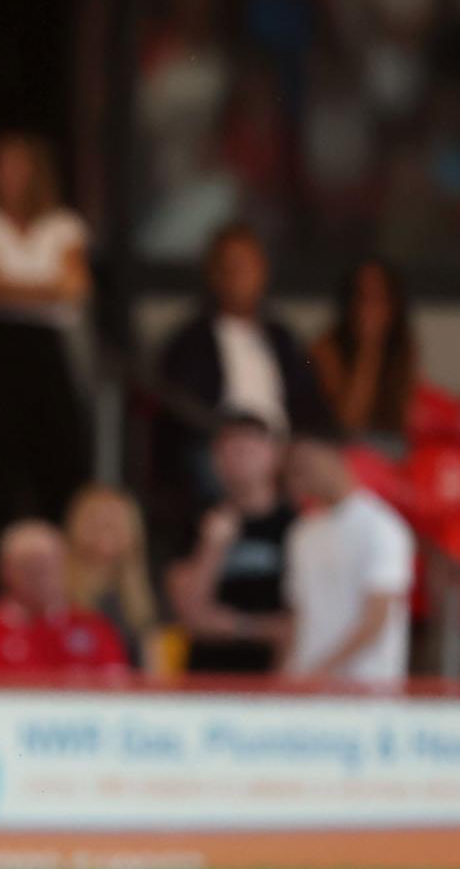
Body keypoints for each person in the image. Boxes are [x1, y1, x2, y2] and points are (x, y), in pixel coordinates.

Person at [0, 131, 92, 553]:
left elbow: (75, 287)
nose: (8, 174)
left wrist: (15, 287)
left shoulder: (63, 224)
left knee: (59, 458)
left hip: (47, 352)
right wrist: (44, 288)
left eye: (17, 164)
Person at [154, 223, 331, 519]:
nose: (239, 276)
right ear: (214, 274)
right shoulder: (189, 340)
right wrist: (232, 436)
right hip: (222, 446)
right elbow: (178, 406)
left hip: (283, 447)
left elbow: (308, 391)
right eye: (230, 267)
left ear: (263, 272)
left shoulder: (282, 337)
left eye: (248, 266)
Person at [164, 412, 296, 674]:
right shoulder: (196, 522)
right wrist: (211, 548)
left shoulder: (296, 526)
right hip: (206, 676)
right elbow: (190, 615)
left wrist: (233, 625)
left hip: (277, 677)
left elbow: (298, 625)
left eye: (251, 448)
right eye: (232, 449)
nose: (241, 458)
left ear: (275, 454)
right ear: (216, 458)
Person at [282, 434, 413, 684]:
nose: (300, 476)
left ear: (335, 458)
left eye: (307, 464)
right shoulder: (302, 533)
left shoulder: (382, 527)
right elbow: (298, 615)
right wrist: (291, 672)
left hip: (365, 689)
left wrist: (320, 670)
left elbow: (377, 618)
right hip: (307, 689)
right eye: (293, 470)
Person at [0, 520, 129, 673]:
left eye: (48, 564)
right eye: (30, 565)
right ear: (5, 570)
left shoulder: (94, 630)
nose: (41, 575)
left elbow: (117, 694)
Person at [308, 258, 415, 442]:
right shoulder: (326, 349)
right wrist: (369, 348)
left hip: (385, 449)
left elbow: (402, 421)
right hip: (334, 447)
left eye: (378, 299)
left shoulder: (401, 349)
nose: (368, 308)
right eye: (362, 297)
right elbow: (349, 423)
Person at [62, 484, 157, 667]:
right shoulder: (57, 590)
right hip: (70, 689)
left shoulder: (140, 596)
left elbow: (152, 667)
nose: (106, 525)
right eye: (96, 518)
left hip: (127, 691)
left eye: (116, 519)